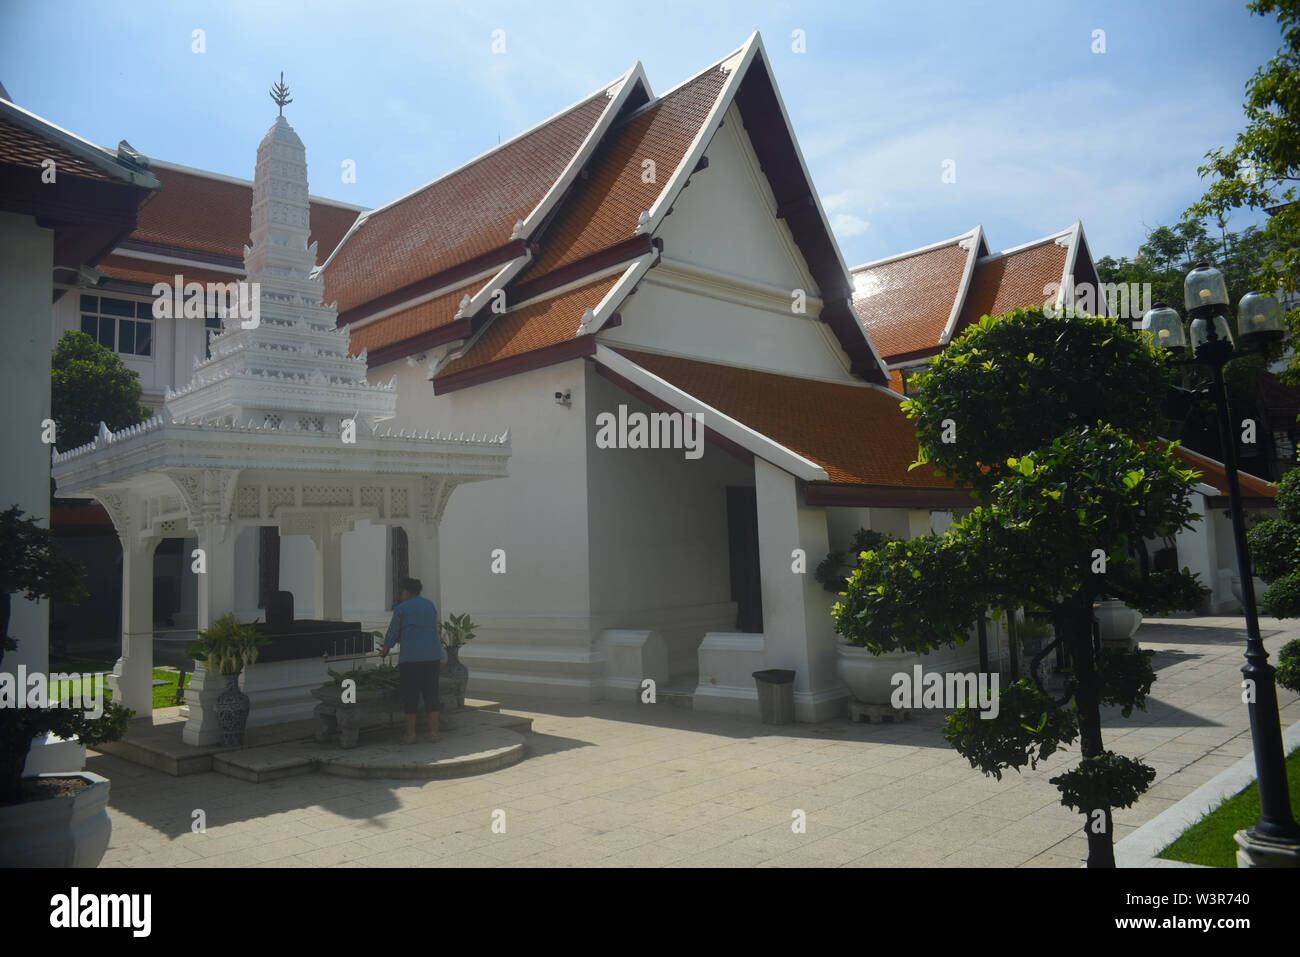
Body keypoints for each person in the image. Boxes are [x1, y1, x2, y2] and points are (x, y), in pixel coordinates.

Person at [378, 577, 442, 744]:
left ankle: (411, 735)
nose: (401, 595)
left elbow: (393, 631)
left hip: (411, 659)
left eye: (402, 592)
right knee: (432, 694)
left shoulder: (402, 608)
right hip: (433, 657)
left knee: (410, 696)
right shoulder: (429, 605)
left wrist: (384, 650)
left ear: (406, 591)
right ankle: (434, 733)